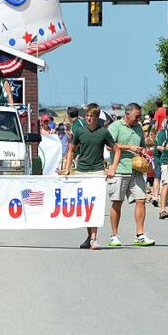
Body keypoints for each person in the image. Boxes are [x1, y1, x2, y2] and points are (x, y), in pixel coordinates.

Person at [61, 103, 117, 250]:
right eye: (87, 116)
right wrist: (67, 168)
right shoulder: (80, 131)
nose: (89, 119)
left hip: (97, 172)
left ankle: (93, 238)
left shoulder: (103, 132)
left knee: (95, 205)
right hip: (82, 171)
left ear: (96, 117)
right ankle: (89, 236)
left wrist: (112, 168)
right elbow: (71, 150)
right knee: (86, 206)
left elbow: (116, 150)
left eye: (91, 116)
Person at [106, 102, 155, 247]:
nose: (138, 119)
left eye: (140, 116)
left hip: (136, 170)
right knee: (117, 202)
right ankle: (114, 235)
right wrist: (130, 147)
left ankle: (140, 234)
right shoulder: (115, 127)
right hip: (120, 169)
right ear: (127, 114)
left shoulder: (139, 128)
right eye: (136, 116)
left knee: (141, 200)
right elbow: (109, 145)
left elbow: (142, 146)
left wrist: (143, 152)